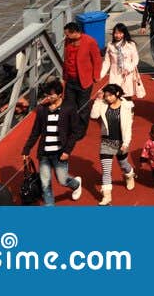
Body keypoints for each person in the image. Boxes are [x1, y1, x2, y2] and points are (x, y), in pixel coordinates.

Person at [21, 78, 83, 206]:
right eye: (47, 94)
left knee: (62, 180)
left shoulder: (69, 108)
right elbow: (36, 131)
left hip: (60, 153)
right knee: (45, 184)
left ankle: (76, 184)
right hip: (44, 153)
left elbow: (75, 131)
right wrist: (26, 149)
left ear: (60, 94)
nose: (48, 97)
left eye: (51, 95)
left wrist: (67, 151)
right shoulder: (42, 109)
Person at [88, 84, 134, 204]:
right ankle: (107, 197)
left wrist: (126, 143)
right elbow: (93, 115)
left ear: (117, 94)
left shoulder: (126, 106)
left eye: (110, 95)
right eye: (106, 95)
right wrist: (98, 100)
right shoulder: (103, 104)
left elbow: (128, 127)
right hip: (106, 143)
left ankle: (129, 175)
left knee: (123, 164)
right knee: (106, 171)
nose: (107, 98)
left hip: (121, 142)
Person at [61, 19, 101, 145]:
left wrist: (96, 76)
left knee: (83, 106)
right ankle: (69, 127)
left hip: (84, 79)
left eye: (67, 34)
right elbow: (66, 59)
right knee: (68, 105)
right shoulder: (68, 41)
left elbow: (97, 60)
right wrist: (64, 76)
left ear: (74, 33)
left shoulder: (89, 41)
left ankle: (80, 131)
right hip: (70, 79)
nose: (65, 37)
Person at [100, 22, 144, 101]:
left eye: (120, 33)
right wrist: (100, 75)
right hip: (115, 73)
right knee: (114, 96)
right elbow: (107, 62)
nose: (118, 35)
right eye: (116, 33)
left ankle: (128, 112)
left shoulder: (131, 44)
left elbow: (135, 59)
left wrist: (129, 69)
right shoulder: (110, 45)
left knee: (127, 96)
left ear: (124, 33)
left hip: (127, 74)